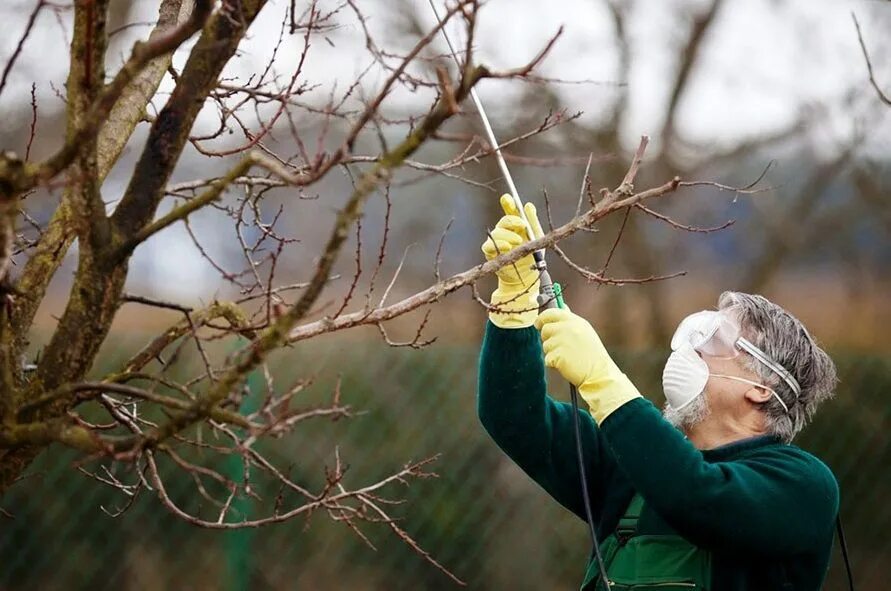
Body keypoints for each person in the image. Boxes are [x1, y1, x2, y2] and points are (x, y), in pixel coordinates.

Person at [477, 195, 840, 590]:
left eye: (714, 341)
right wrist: (514, 305)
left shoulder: (802, 484)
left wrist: (603, 379)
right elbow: (513, 417)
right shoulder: (626, 466)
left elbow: (698, 498)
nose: (690, 349)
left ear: (760, 388)